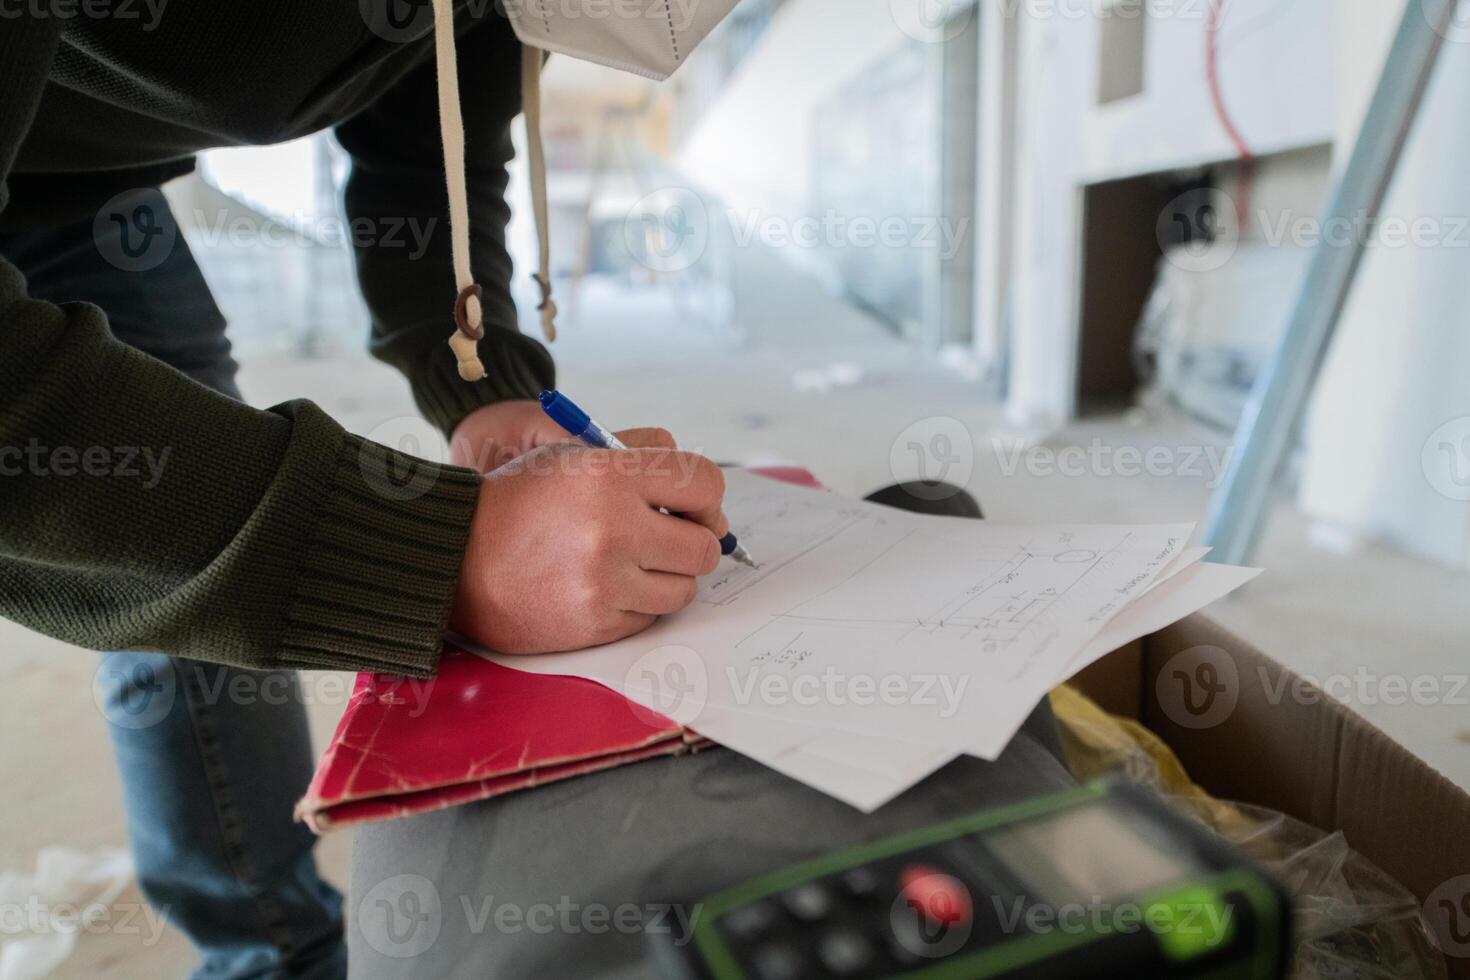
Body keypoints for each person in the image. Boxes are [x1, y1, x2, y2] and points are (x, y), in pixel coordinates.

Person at [1, 7, 732, 977]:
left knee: (170, 480)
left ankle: (271, 950)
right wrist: (440, 551)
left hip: (83, 179)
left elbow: (433, 162)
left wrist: (486, 387)